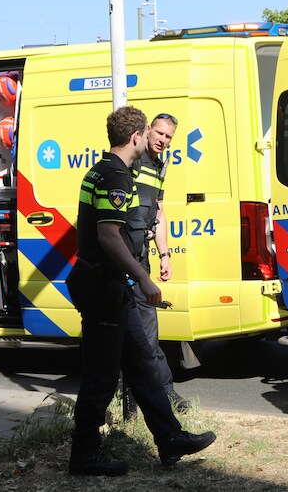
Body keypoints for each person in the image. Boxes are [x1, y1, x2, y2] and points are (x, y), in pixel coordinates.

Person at [65, 106, 215, 476]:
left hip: (115, 285)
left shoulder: (101, 169)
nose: (157, 140)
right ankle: (84, 455)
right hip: (104, 286)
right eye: (151, 133)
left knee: (144, 364)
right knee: (101, 377)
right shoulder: (116, 176)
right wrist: (144, 278)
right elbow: (108, 237)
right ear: (137, 136)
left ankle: (170, 439)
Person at [126, 112, 189, 412]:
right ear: (148, 130)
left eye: (169, 137)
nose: (163, 140)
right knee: (126, 333)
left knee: (148, 330)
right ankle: (137, 397)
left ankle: (163, 394)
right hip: (125, 258)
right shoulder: (134, 159)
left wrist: (165, 255)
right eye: (160, 133)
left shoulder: (161, 164)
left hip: (141, 258)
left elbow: (159, 211)